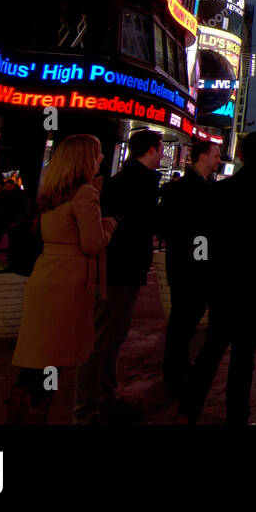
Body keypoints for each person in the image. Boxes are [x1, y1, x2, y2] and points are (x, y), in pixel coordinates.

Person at [178, 132, 256, 424]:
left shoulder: (220, 191)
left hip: (222, 279)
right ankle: (237, 416)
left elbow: (200, 236)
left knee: (211, 348)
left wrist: (205, 267)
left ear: (241, 154)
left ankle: (188, 411)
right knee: (244, 355)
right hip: (255, 282)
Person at [7, 135, 116, 423]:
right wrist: (110, 224)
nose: (102, 159)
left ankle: (23, 410)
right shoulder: (84, 193)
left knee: (38, 357)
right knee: (52, 361)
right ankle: (33, 413)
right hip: (69, 282)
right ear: (84, 158)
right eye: (98, 154)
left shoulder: (53, 191)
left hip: (47, 274)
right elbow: (93, 243)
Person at [73, 129, 163, 425]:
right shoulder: (126, 183)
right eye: (161, 148)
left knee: (113, 337)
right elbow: (115, 227)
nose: (163, 152)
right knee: (102, 339)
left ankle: (104, 397)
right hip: (117, 270)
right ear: (151, 149)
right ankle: (85, 410)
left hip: (128, 268)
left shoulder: (138, 181)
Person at [157, 140, 221, 398]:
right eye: (216, 155)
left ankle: (179, 367)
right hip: (189, 268)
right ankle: (173, 377)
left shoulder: (198, 188)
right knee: (182, 322)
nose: (219, 160)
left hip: (189, 265)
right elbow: (163, 226)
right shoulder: (186, 189)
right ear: (203, 157)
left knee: (185, 322)